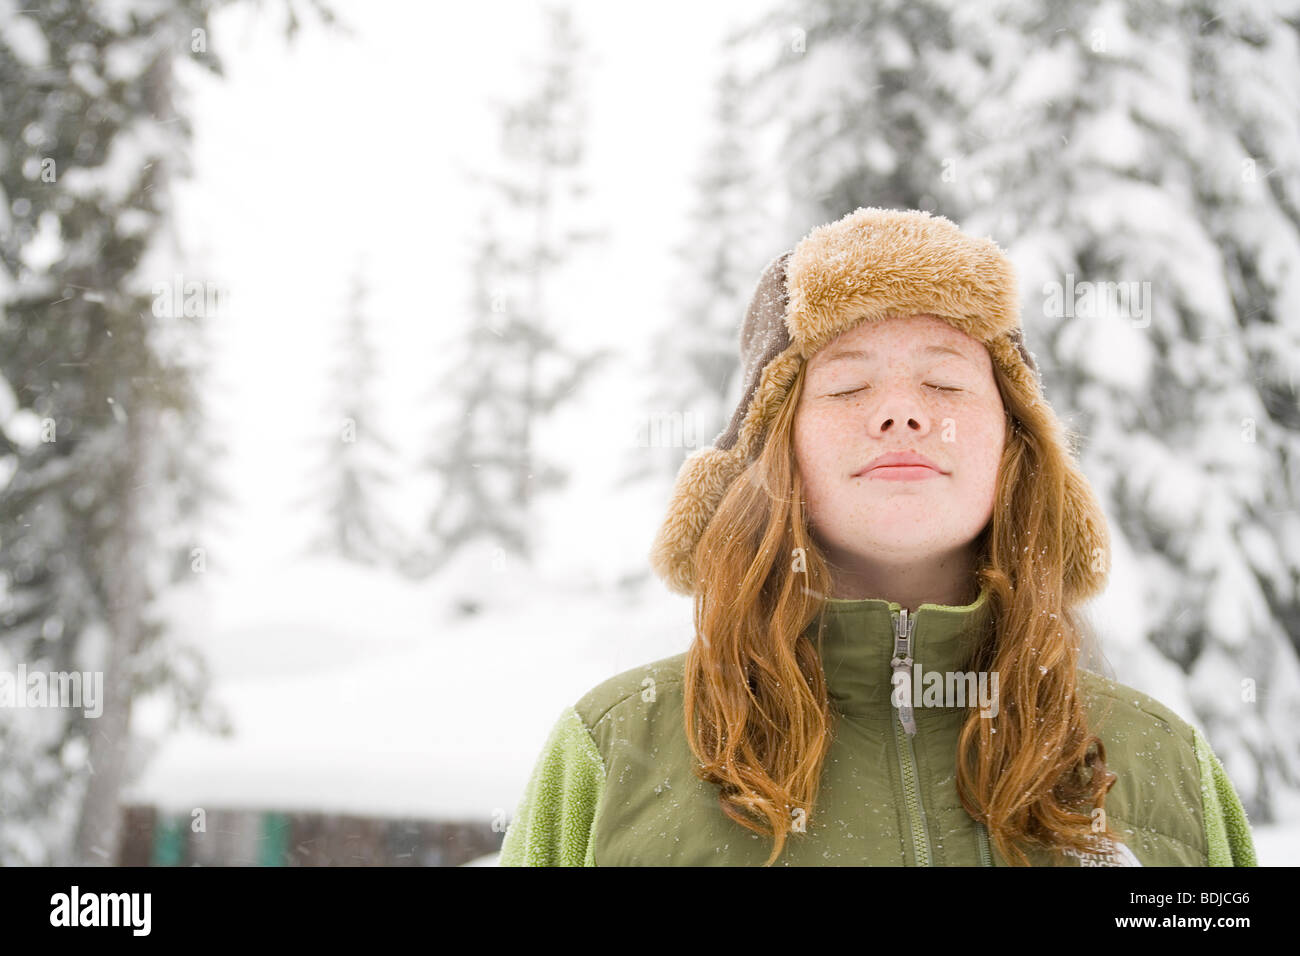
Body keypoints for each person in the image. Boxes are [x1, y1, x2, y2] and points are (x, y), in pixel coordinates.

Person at [498, 206, 1258, 866]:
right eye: (847, 385)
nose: (902, 413)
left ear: (1012, 442)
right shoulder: (615, 749)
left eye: (947, 382)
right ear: (774, 448)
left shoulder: (1163, 763)